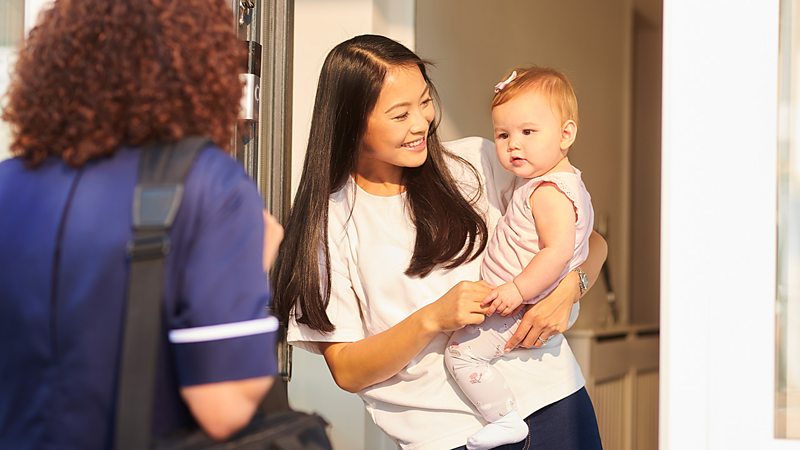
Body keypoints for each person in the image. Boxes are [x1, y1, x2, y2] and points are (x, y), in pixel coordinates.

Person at [273, 34, 605, 450]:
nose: (421, 123)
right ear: (351, 120)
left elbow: (590, 242)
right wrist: (432, 318)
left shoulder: (477, 162)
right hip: (445, 438)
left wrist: (570, 290)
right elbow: (346, 369)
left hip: (552, 402)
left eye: (424, 102)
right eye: (400, 114)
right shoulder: (328, 225)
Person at [0, 1, 282, 448]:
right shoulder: (207, 184)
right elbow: (224, 406)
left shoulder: (7, 183)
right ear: (197, 61)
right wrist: (251, 263)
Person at [444, 67, 595, 450]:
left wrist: (516, 288)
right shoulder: (562, 183)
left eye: (528, 132)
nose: (514, 145)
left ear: (566, 135)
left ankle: (505, 418)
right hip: (528, 300)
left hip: (520, 305)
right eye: (503, 134)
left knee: (460, 356)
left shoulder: (547, 192)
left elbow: (557, 252)